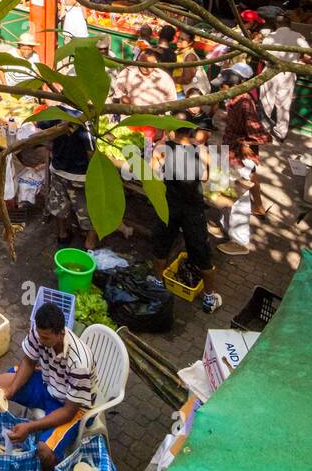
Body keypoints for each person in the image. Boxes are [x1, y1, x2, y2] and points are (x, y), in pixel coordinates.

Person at [0, 302, 96, 471]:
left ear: (61, 333)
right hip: (46, 382)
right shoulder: (40, 333)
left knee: (44, 450)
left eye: (46, 338)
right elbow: (28, 361)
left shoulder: (79, 362)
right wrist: (10, 392)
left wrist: (30, 427)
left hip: (70, 405)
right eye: (39, 335)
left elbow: (68, 411)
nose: (41, 341)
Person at [152, 126, 222, 314]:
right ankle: (209, 296)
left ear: (173, 130)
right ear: (190, 132)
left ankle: (158, 282)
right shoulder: (202, 151)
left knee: (161, 244)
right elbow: (206, 176)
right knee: (200, 250)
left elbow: (154, 174)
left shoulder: (161, 149)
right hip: (193, 209)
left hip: (169, 206)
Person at [214, 62, 270, 254]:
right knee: (226, 191)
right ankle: (225, 226)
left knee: (239, 199)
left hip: (239, 157)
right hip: (229, 151)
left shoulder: (244, 102)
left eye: (225, 86)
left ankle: (239, 241)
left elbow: (260, 134)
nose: (223, 90)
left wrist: (245, 143)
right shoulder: (234, 100)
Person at [37, 112, 99, 249]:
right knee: (91, 208)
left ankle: (62, 235)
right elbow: (91, 153)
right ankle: (90, 244)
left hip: (59, 170)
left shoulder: (56, 112)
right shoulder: (86, 121)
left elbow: (40, 125)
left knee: (59, 204)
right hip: (79, 176)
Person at [258, 13, 310, 142]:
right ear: (290, 25)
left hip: (270, 71)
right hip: (287, 74)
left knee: (266, 102)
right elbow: (309, 56)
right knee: (284, 105)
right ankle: (281, 134)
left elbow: (262, 55)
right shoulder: (298, 37)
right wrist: (299, 60)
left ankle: (262, 131)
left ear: (276, 25)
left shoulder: (270, 36)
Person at [111, 49, 178, 112]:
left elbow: (172, 100)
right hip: (132, 116)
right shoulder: (128, 72)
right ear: (138, 60)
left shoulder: (164, 77)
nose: (146, 67)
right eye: (143, 63)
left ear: (156, 63)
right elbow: (118, 94)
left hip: (157, 117)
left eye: (149, 64)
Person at [175, 27, 209, 94]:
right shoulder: (179, 51)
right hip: (177, 89)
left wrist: (170, 78)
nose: (179, 40)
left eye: (182, 39)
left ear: (190, 42)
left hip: (182, 92)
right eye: (178, 38)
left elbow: (187, 79)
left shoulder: (190, 57)